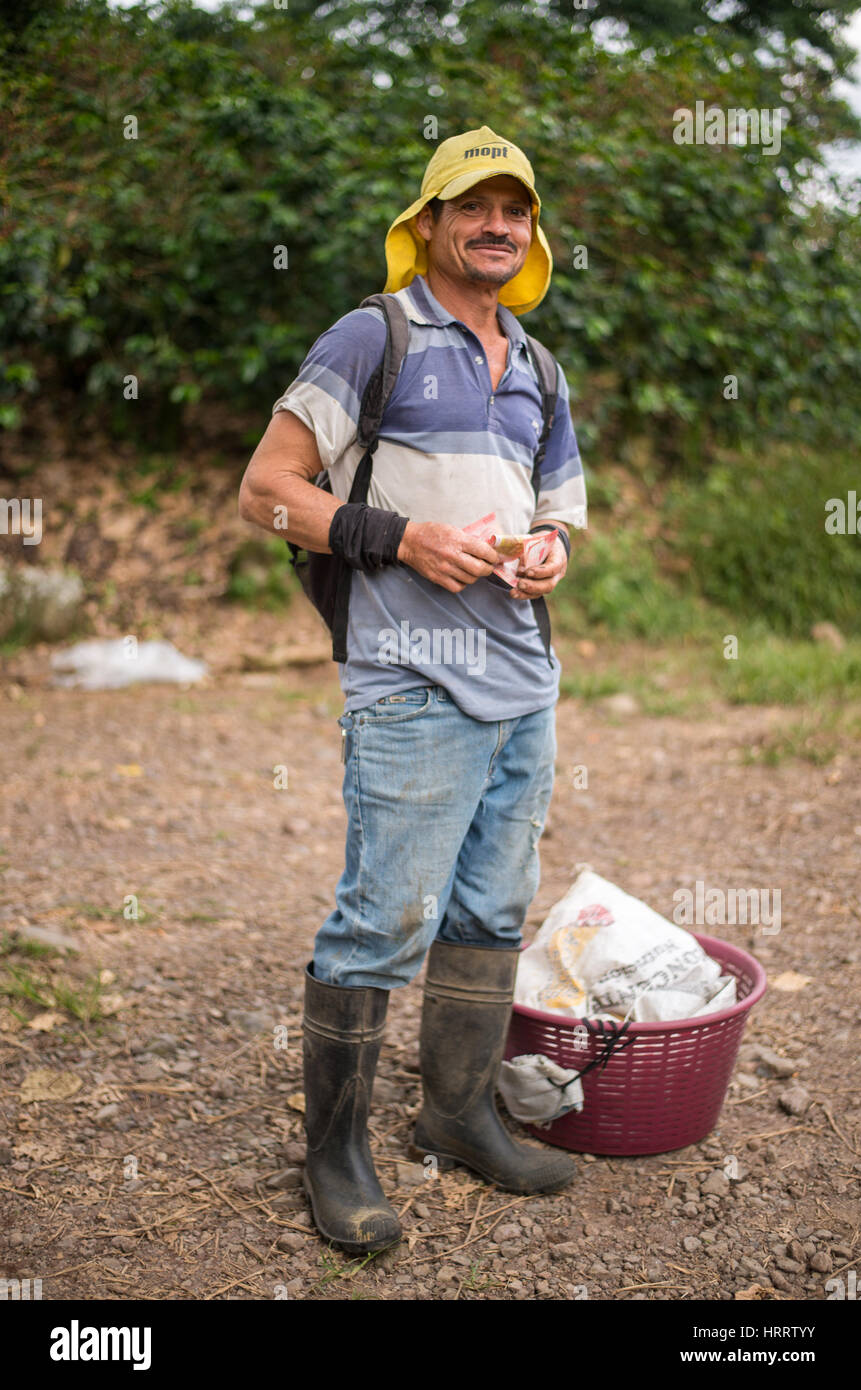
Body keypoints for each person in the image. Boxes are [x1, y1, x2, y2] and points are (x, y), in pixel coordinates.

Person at [238, 125, 588, 1254]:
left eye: (515, 210)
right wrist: (398, 538)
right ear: (428, 225)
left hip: (523, 683)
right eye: (472, 207)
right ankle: (334, 1156)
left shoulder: (536, 365)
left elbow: (562, 512)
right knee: (382, 919)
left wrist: (547, 552)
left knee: (489, 913)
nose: (496, 226)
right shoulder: (370, 334)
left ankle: (454, 1117)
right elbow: (267, 490)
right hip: (409, 680)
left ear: (530, 234)